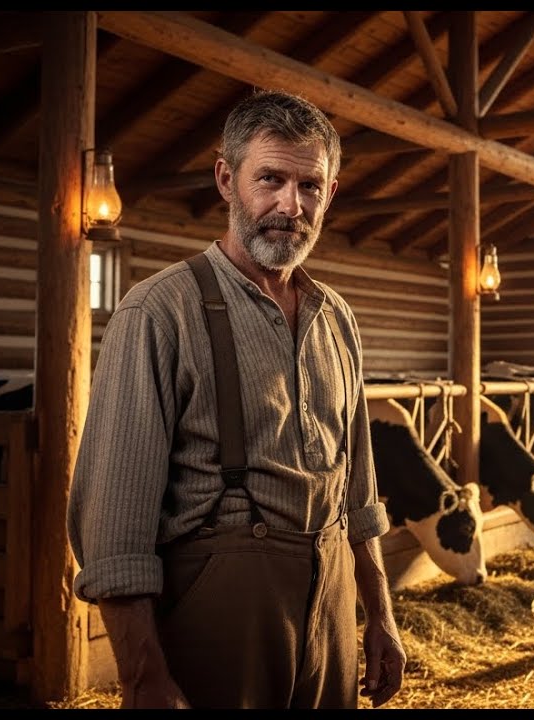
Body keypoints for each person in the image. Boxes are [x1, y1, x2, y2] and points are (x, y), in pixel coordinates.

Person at [67, 89, 405, 709]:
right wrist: (143, 678)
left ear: (329, 194)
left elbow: (357, 487)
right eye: (270, 178)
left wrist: (380, 616)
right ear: (227, 179)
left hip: (331, 602)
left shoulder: (337, 319)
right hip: (217, 607)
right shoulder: (158, 311)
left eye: (309, 186)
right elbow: (113, 523)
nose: (289, 204)